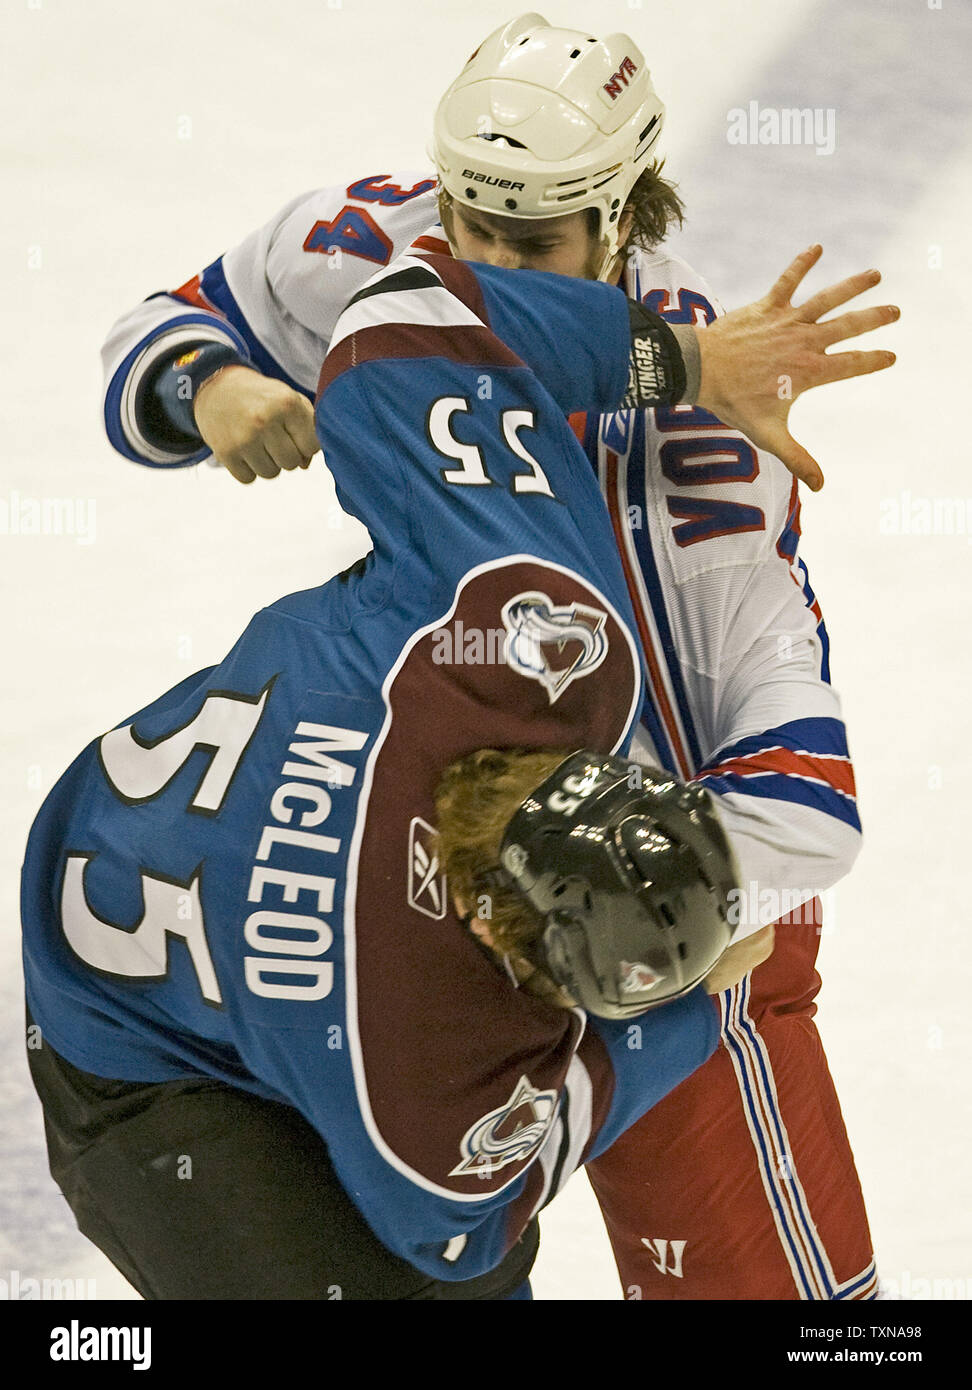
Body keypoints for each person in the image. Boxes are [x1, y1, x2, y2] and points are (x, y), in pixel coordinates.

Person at [96, 15, 897, 1299]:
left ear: (624, 219)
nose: (484, 264)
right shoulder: (382, 250)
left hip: (668, 943)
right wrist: (211, 388)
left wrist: (606, 923)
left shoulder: (701, 476)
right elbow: (171, 325)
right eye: (472, 225)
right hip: (421, 905)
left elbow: (807, 802)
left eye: (532, 245)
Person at [23, 249, 815, 1300]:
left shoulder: (526, 636)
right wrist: (683, 1015)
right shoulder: (430, 1060)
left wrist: (685, 363)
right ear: (495, 940)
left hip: (169, 844)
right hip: (151, 1051)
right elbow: (459, 1227)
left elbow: (416, 315)